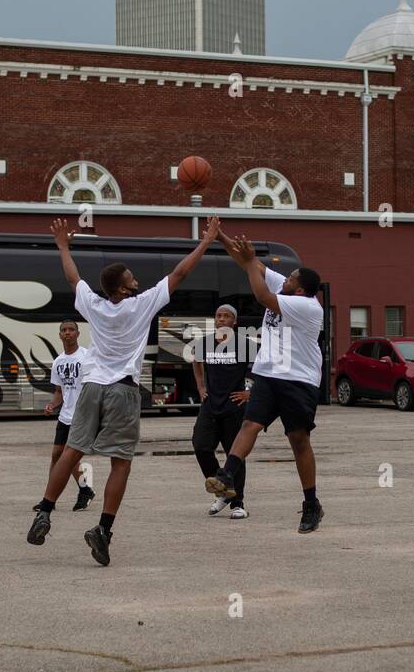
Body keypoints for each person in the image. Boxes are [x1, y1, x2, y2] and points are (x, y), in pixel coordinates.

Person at [27, 216, 221, 565]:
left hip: (91, 387)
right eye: (130, 276)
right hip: (122, 390)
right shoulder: (140, 304)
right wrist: (206, 241)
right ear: (121, 288)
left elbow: (73, 278)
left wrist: (62, 246)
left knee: (72, 451)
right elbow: (179, 274)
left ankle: (44, 511)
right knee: (120, 463)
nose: (136, 278)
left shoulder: (95, 305)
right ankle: (102, 530)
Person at [203, 231, 326, 534]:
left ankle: (311, 503)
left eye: (291, 277)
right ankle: (228, 474)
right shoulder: (286, 288)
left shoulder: (308, 306)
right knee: (250, 425)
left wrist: (248, 263)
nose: (284, 278)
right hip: (269, 374)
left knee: (298, 441)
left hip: (299, 379)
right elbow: (251, 264)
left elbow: (260, 295)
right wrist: (220, 237)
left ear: (301, 289)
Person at [191, 304, 253, 519]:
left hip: (234, 407)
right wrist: (200, 387)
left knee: (235, 454)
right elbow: (196, 363)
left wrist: (249, 393)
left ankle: (238, 503)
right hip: (210, 406)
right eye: (218, 316)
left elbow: (261, 370)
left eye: (226, 316)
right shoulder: (205, 343)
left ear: (234, 322)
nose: (221, 319)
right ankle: (223, 490)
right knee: (201, 446)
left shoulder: (245, 344)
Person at [36, 319, 96, 512]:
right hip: (64, 416)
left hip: (81, 416)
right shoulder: (58, 362)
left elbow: (94, 385)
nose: (68, 332)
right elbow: (59, 392)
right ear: (60, 335)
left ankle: (53, 500)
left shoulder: (87, 357)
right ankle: (73, 492)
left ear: (78, 334)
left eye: (71, 330)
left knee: (67, 457)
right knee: (56, 456)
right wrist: (52, 405)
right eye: (64, 330)